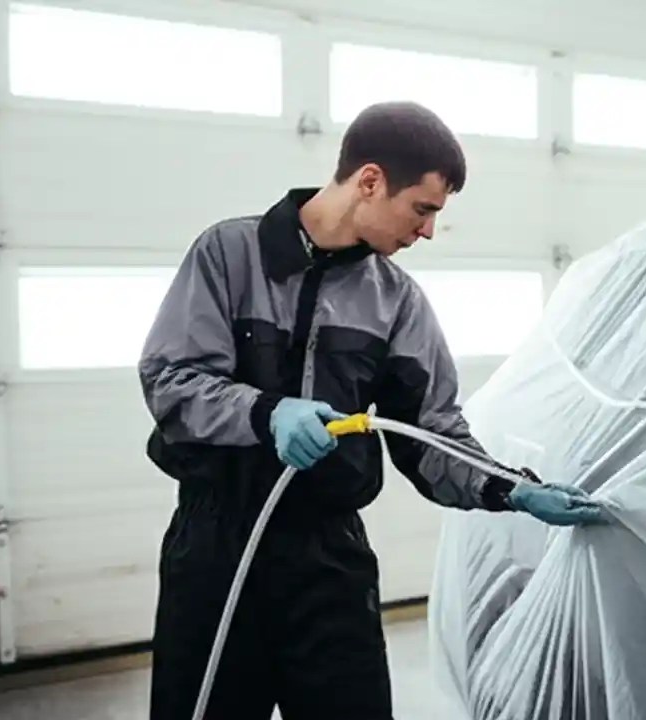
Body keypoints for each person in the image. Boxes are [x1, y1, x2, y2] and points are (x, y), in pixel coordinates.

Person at [137, 101, 603, 720]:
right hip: (219, 544)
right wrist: (266, 414)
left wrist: (511, 488)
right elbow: (171, 380)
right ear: (370, 181)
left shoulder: (397, 302)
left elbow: (430, 432)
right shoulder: (229, 255)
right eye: (423, 209)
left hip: (327, 559)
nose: (428, 231)